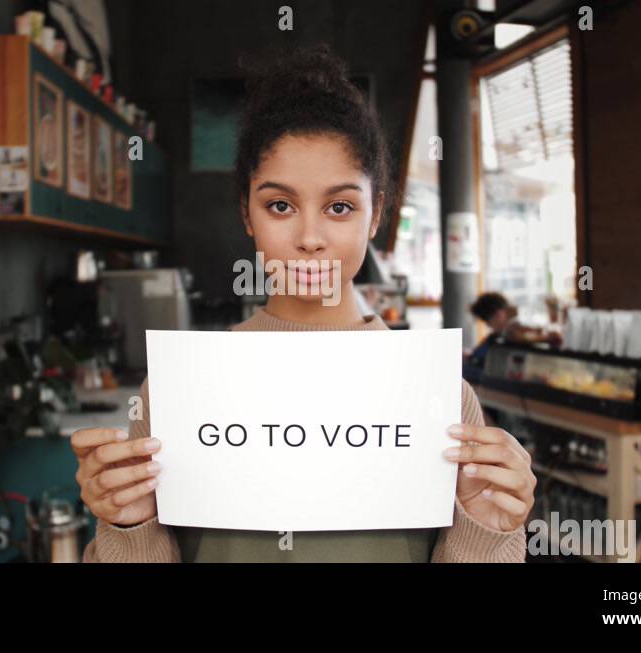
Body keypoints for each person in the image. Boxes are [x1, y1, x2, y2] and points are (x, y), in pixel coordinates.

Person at [73, 45, 535, 562]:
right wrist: (125, 524)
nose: (310, 236)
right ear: (247, 214)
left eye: (339, 206)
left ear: (376, 212)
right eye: (280, 205)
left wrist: (486, 531)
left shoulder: (442, 397)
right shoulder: (176, 393)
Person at [467, 292, 561, 369]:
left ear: (499, 314)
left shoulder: (510, 334)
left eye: (487, 321)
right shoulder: (498, 337)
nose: (489, 326)